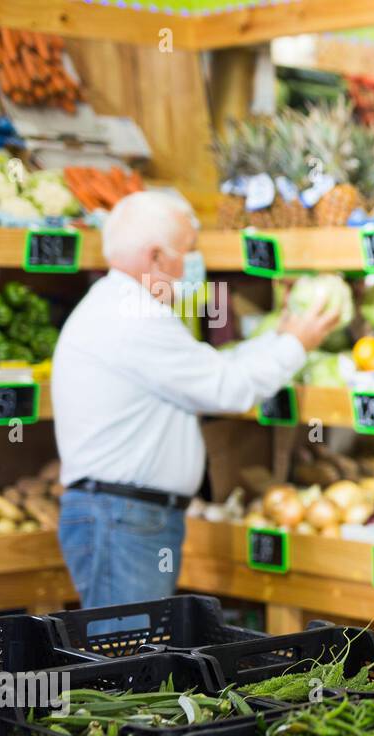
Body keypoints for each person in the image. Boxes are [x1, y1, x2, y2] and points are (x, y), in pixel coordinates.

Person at [53, 191, 338, 608]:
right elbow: (226, 389)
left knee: (132, 652)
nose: (192, 265)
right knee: (129, 658)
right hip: (122, 520)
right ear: (155, 258)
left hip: (125, 517)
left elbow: (206, 371)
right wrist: (295, 345)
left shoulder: (119, 307)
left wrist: (278, 339)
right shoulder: (133, 318)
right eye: (188, 252)